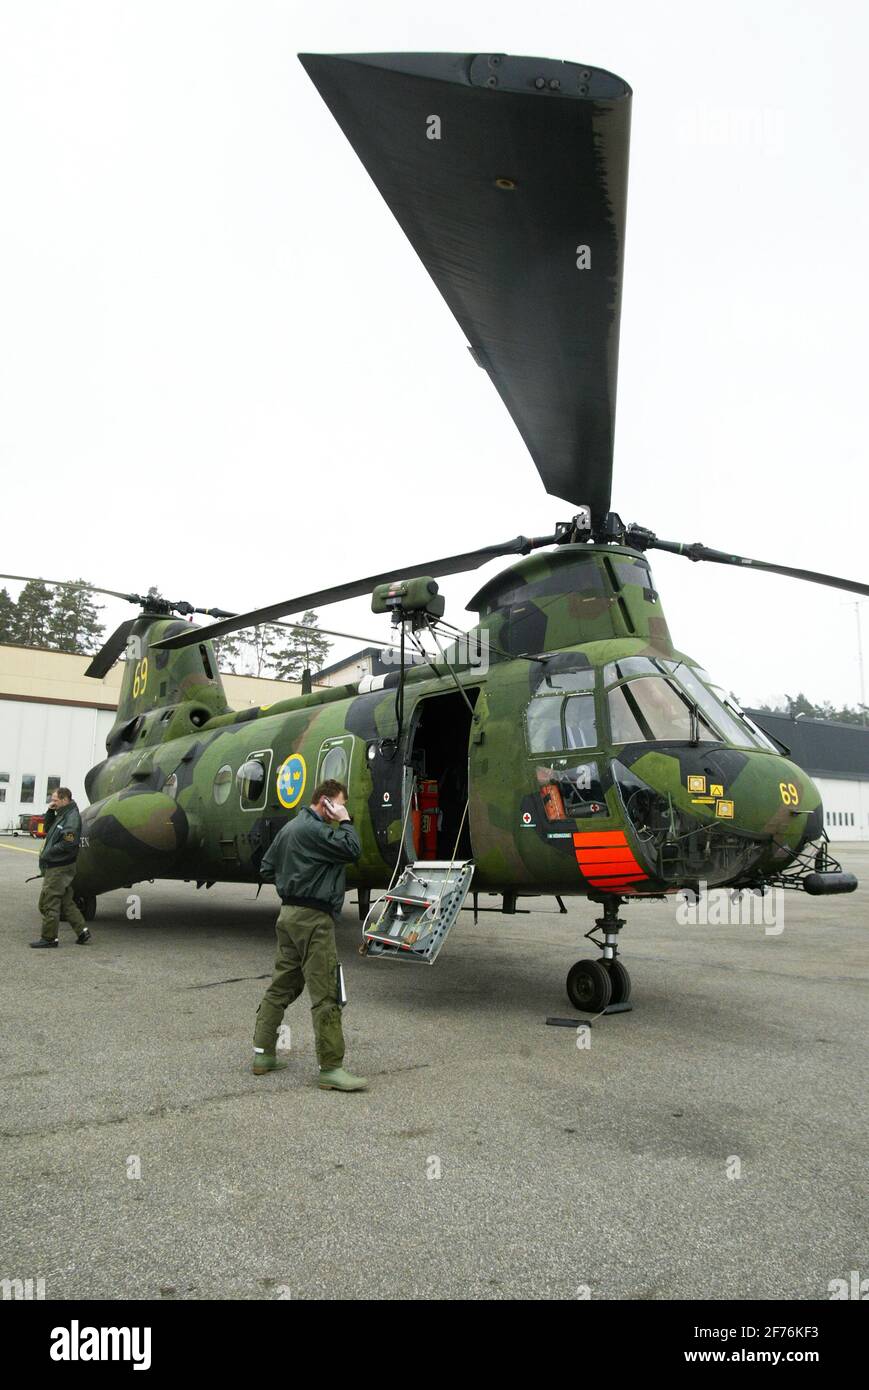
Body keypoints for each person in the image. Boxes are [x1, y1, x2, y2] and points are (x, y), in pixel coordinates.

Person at [252, 778, 367, 1091]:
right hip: (313, 919)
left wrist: (295, 878)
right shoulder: (318, 830)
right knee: (326, 992)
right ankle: (331, 1068)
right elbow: (352, 849)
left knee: (282, 985)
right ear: (327, 802)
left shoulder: (291, 828)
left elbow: (265, 867)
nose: (343, 810)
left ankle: (262, 1054)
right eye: (340, 804)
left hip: (287, 915)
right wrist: (344, 821)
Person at [30, 787, 90, 948]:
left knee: (48, 902)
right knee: (65, 901)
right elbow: (50, 830)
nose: (53, 802)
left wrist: (48, 853)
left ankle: (49, 938)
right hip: (60, 865)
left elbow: (68, 844)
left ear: (65, 800)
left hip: (59, 867)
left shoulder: (71, 818)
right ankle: (82, 931)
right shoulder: (63, 814)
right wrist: (50, 812)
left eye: (55, 800)